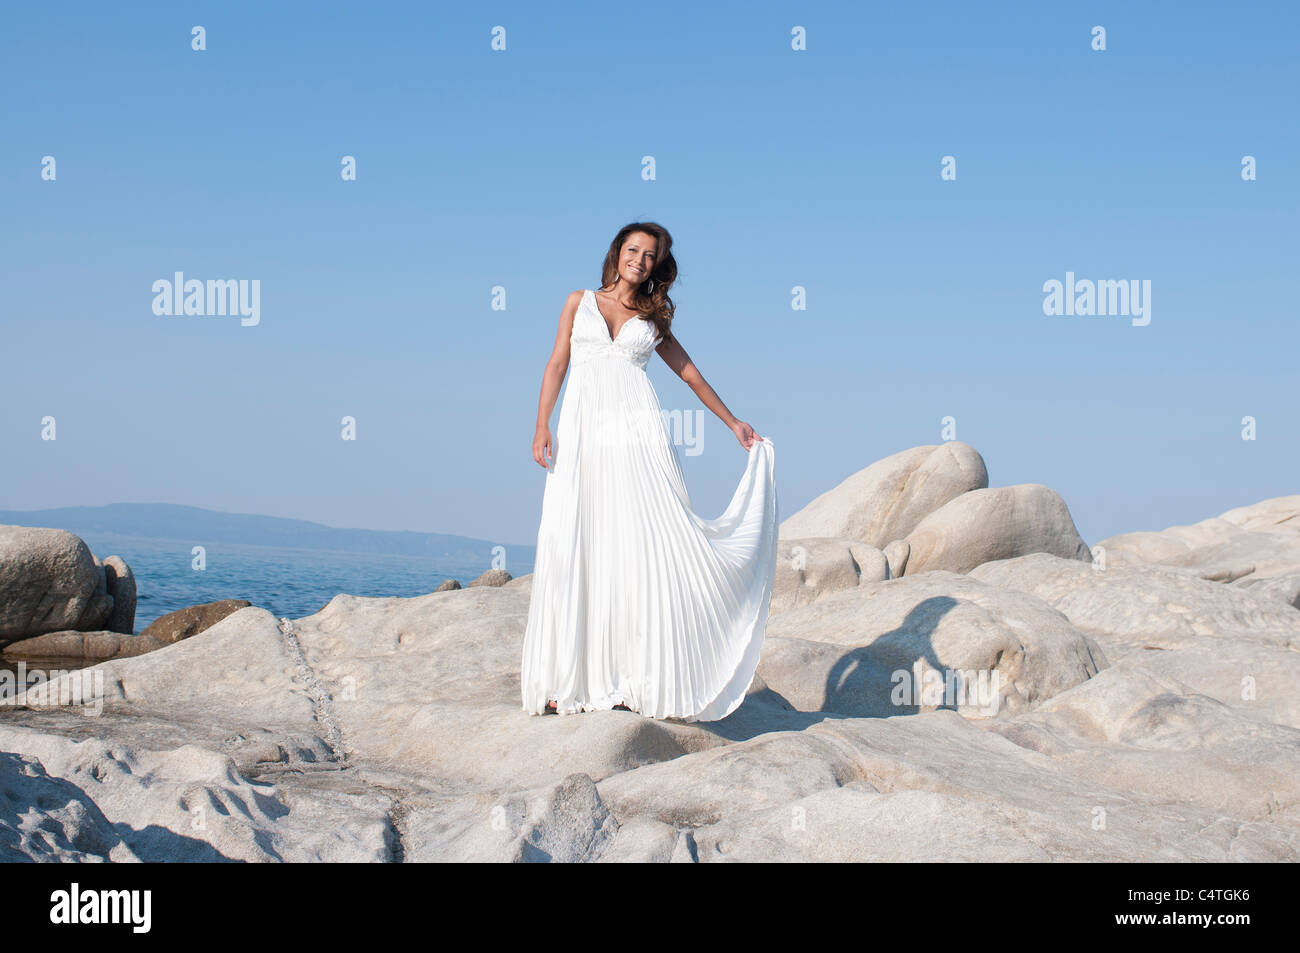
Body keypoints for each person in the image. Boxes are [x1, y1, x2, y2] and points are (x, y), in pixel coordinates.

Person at [520, 222, 778, 722]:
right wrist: (541, 425)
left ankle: (629, 680)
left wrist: (732, 423)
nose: (639, 259)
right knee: (574, 539)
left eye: (649, 255)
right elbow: (556, 364)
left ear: (658, 266)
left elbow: (689, 373)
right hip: (582, 433)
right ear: (617, 253)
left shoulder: (653, 316)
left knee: (639, 546)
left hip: (638, 436)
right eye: (632, 249)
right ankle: (563, 682)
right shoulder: (579, 301)